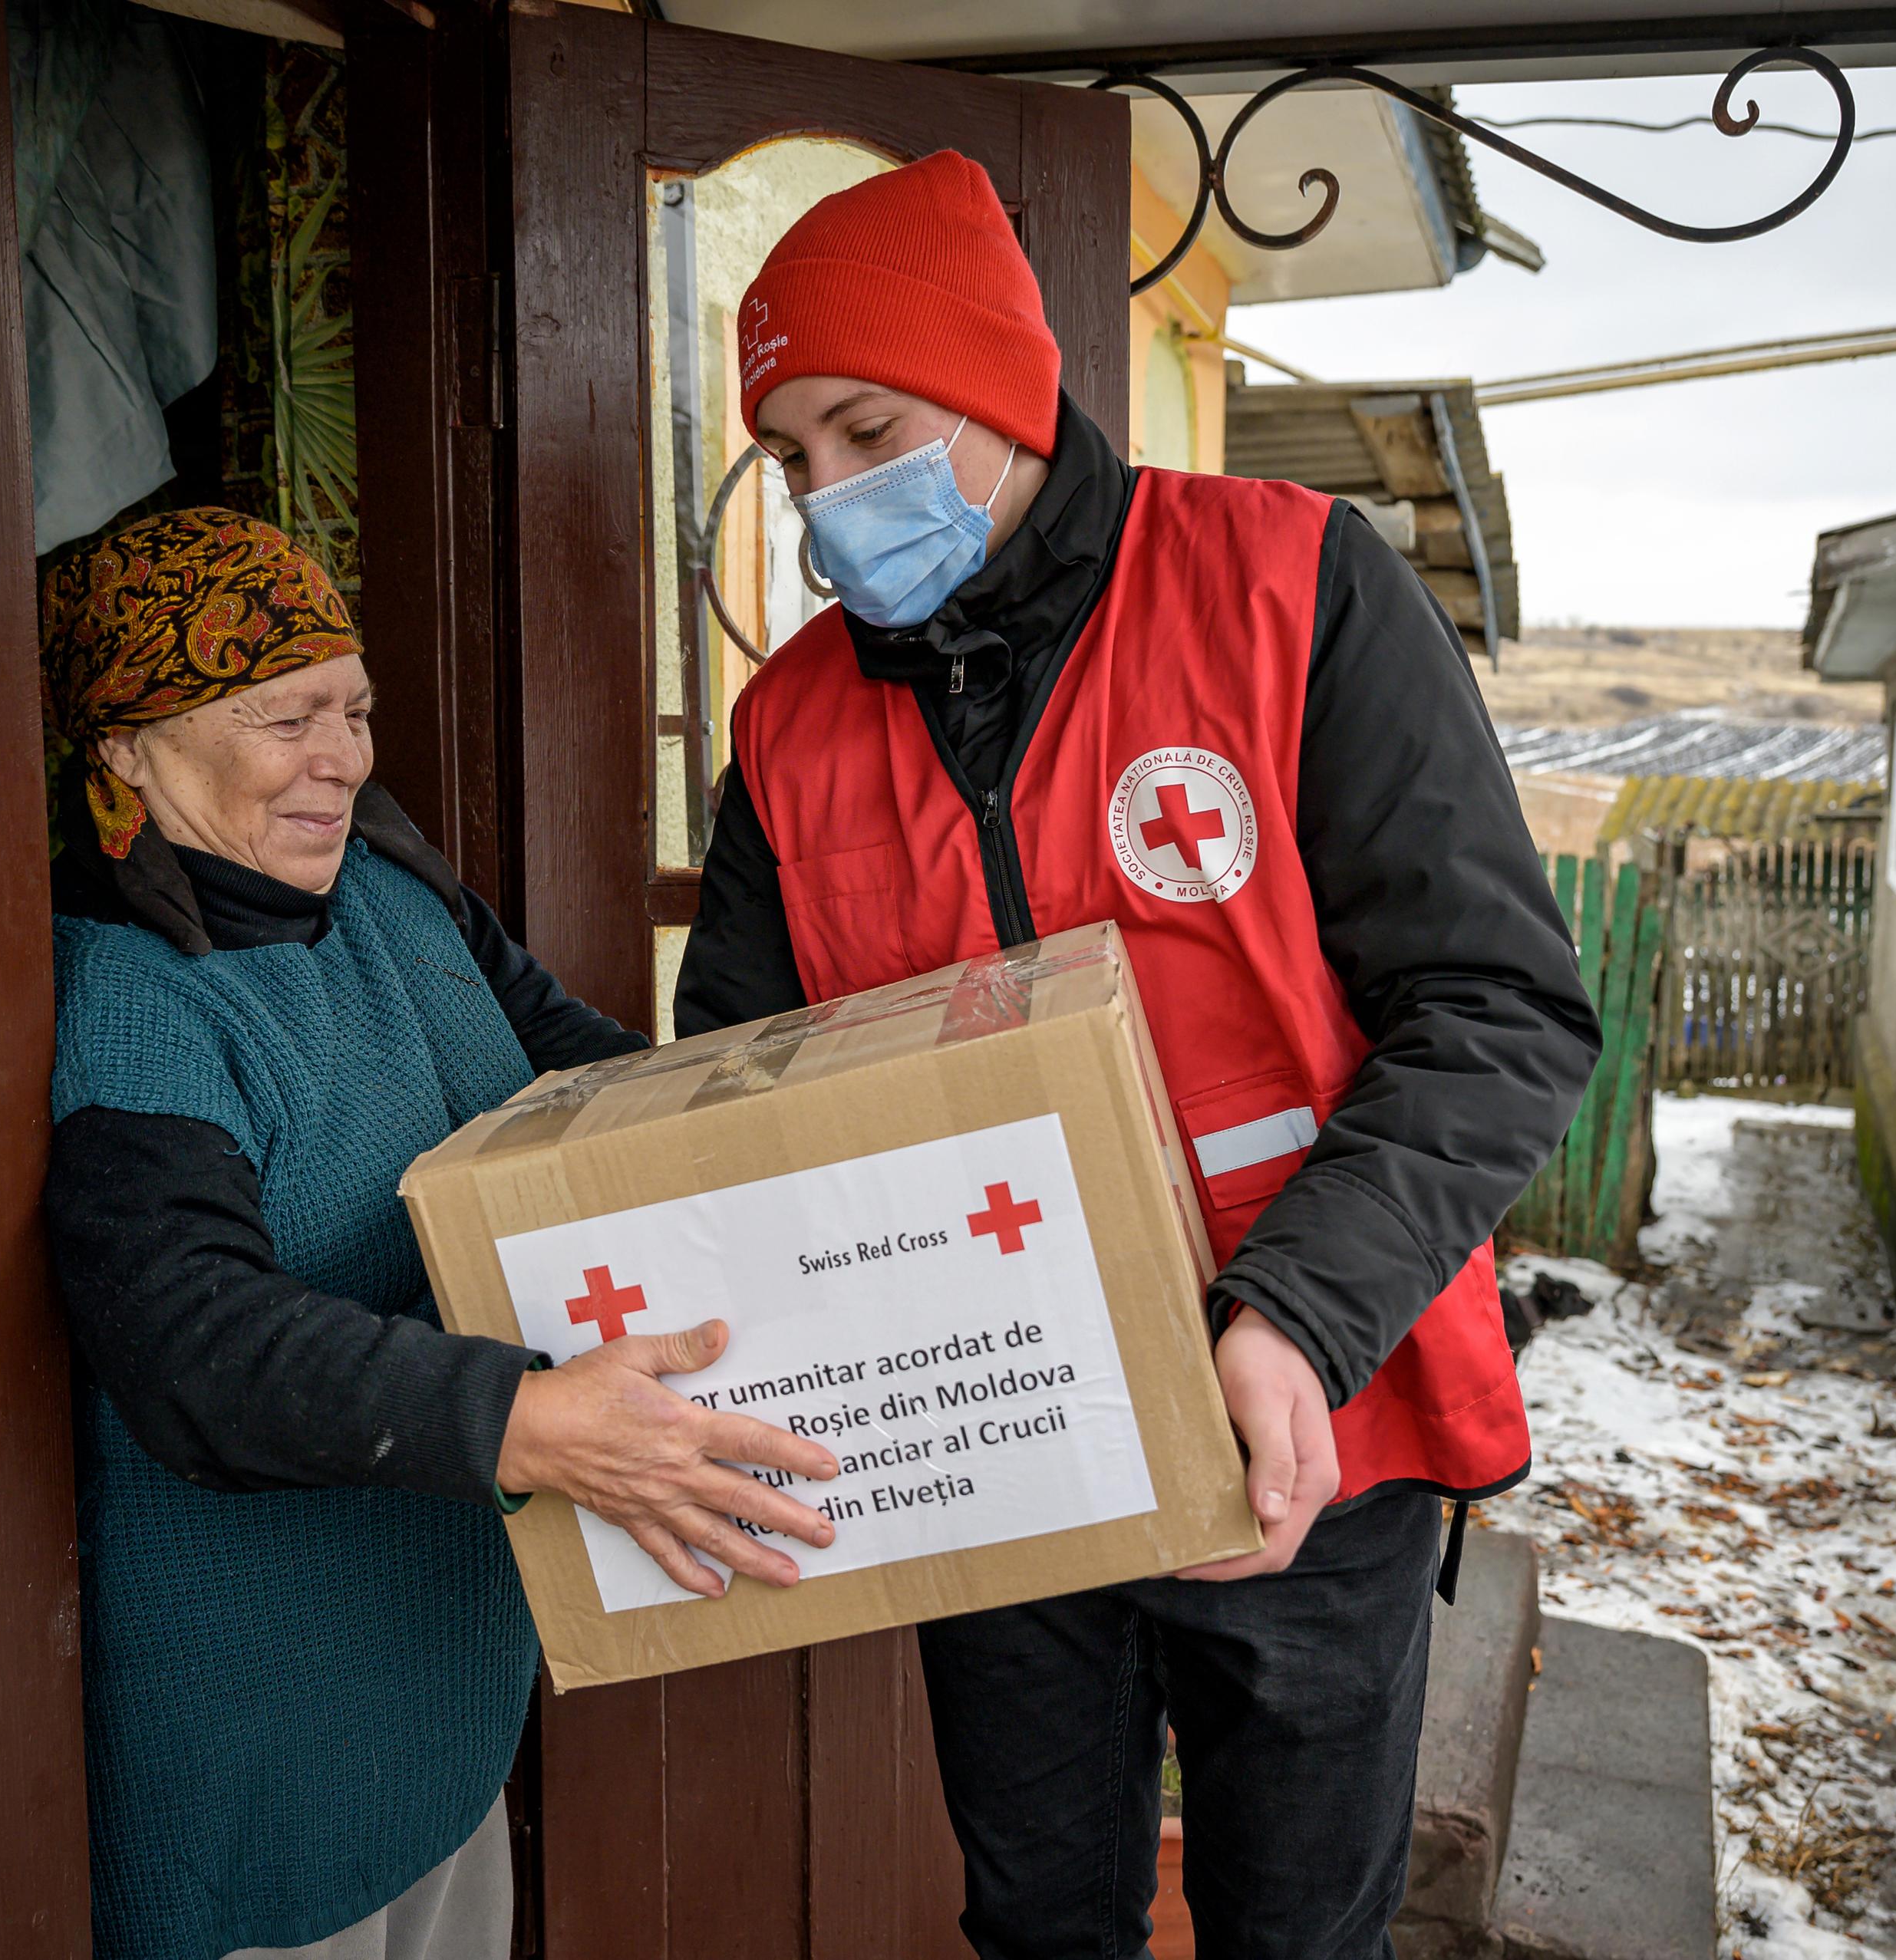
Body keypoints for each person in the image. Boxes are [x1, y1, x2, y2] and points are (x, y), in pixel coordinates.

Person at [677, 153, 1601, 1960]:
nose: (832, 500)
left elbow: (1498, 1009)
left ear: (1004, 389)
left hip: (1309, 1423)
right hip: (1003, 1435)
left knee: (1297, 1926)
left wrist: (1298, 1319)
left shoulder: (1288, 587)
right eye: (792, 460)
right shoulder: (787, 725)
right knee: (1038, 1917)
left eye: (868, 429)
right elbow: (739, 1075)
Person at [37, 508, 841, 1960]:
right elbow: (196, 1346)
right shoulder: (132, 1005)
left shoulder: (391, 894)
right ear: (127, 747)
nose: (338, 758)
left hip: (439, 1698)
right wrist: (528, 1426)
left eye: (352, 711)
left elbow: (580, 1080)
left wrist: (809, 1128)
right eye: (283, 717)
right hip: (263, 1756)